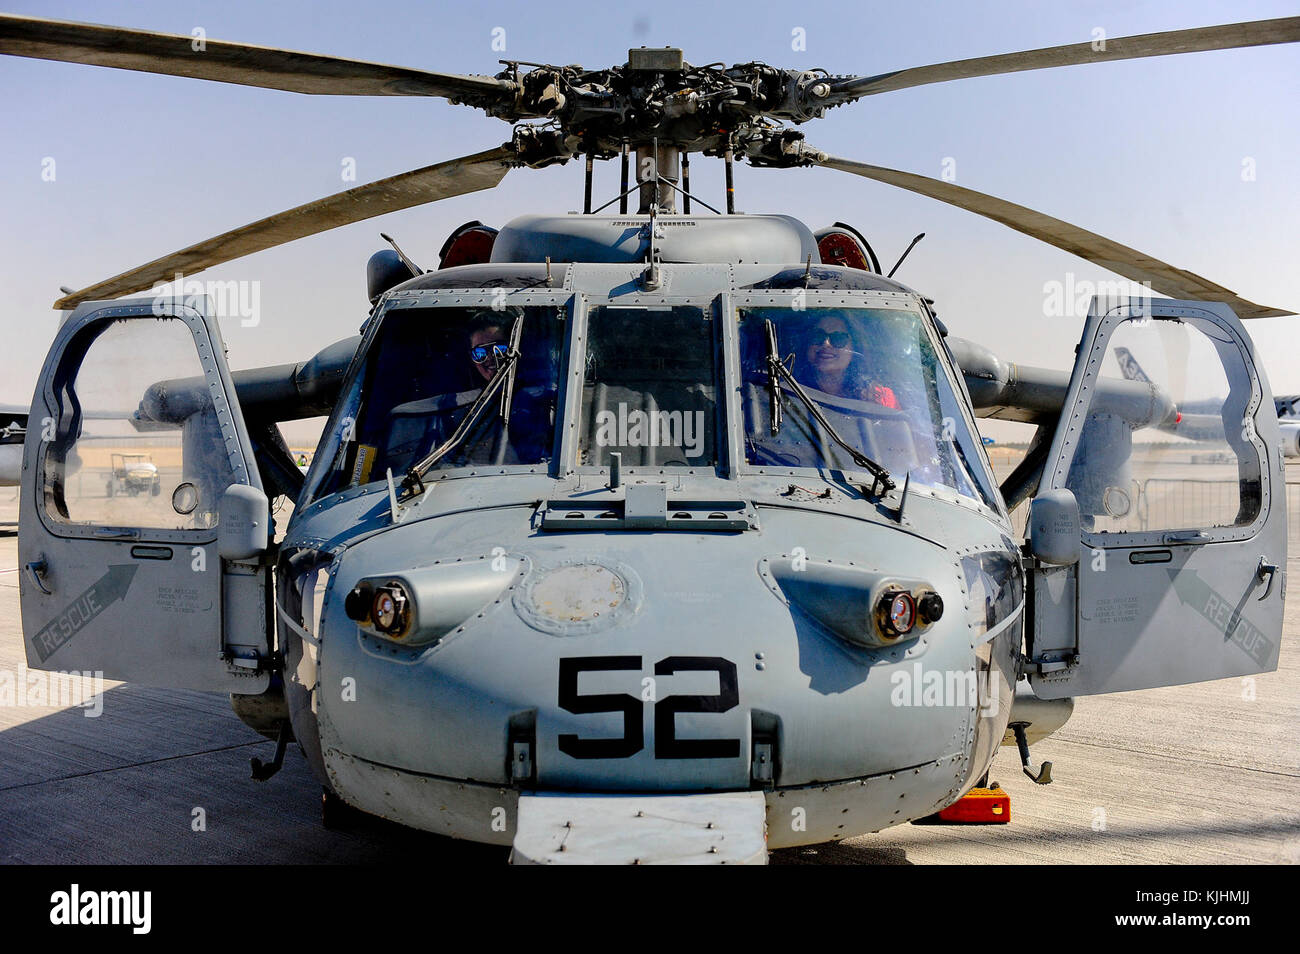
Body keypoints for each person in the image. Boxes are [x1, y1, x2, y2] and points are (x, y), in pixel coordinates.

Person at [793, 314, 899, 409]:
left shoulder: (879, 395)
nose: (826, 344)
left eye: (838, 338)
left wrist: (874, 409)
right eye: (817, 336)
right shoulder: (787, 391)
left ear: (854, 348)